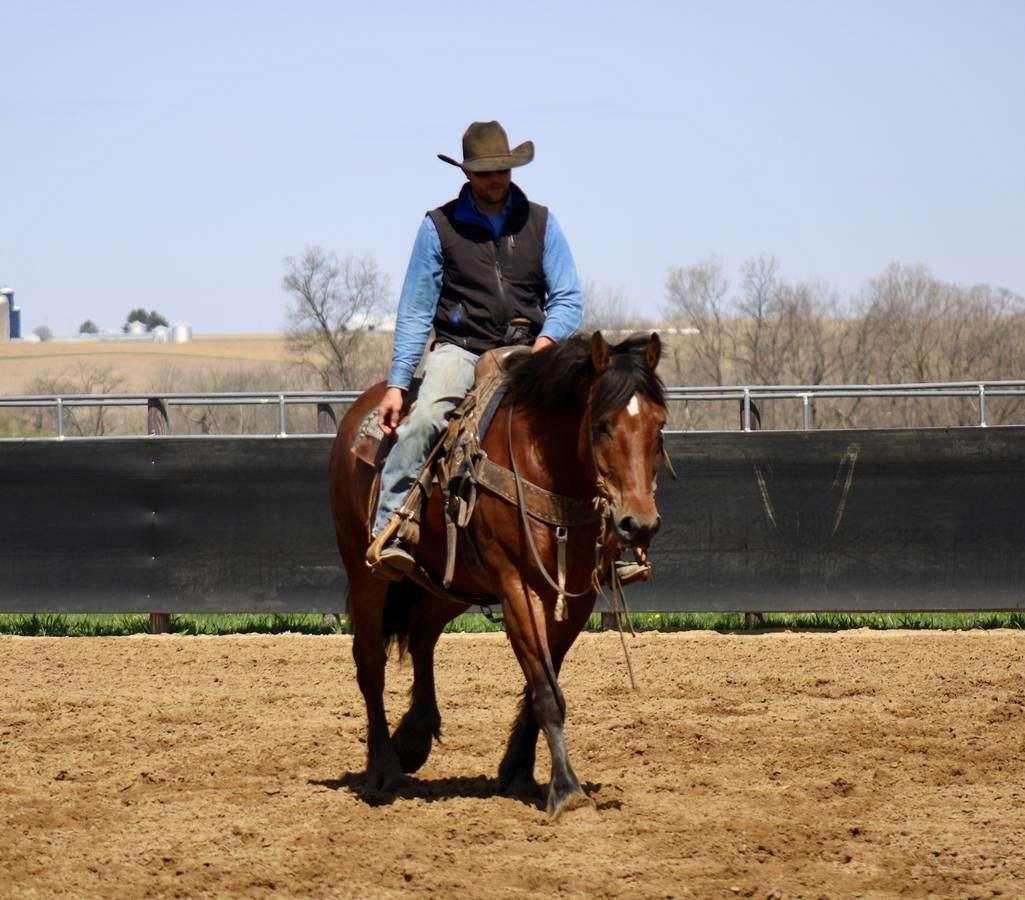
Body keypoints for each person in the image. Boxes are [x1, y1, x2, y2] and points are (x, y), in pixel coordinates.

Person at [369, 120, 582, 575]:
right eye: (486, 172)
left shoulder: (541, 222)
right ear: (467, 173)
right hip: (461, 350)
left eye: (502, 169)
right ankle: (392, 527)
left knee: (592, 417)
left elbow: (567, 297)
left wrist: (547, 343)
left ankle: (609, 539)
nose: (496, 179)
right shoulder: (438, 227)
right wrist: (397, 384)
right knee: (425, 419)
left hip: (532, 350)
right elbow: (415, 310)